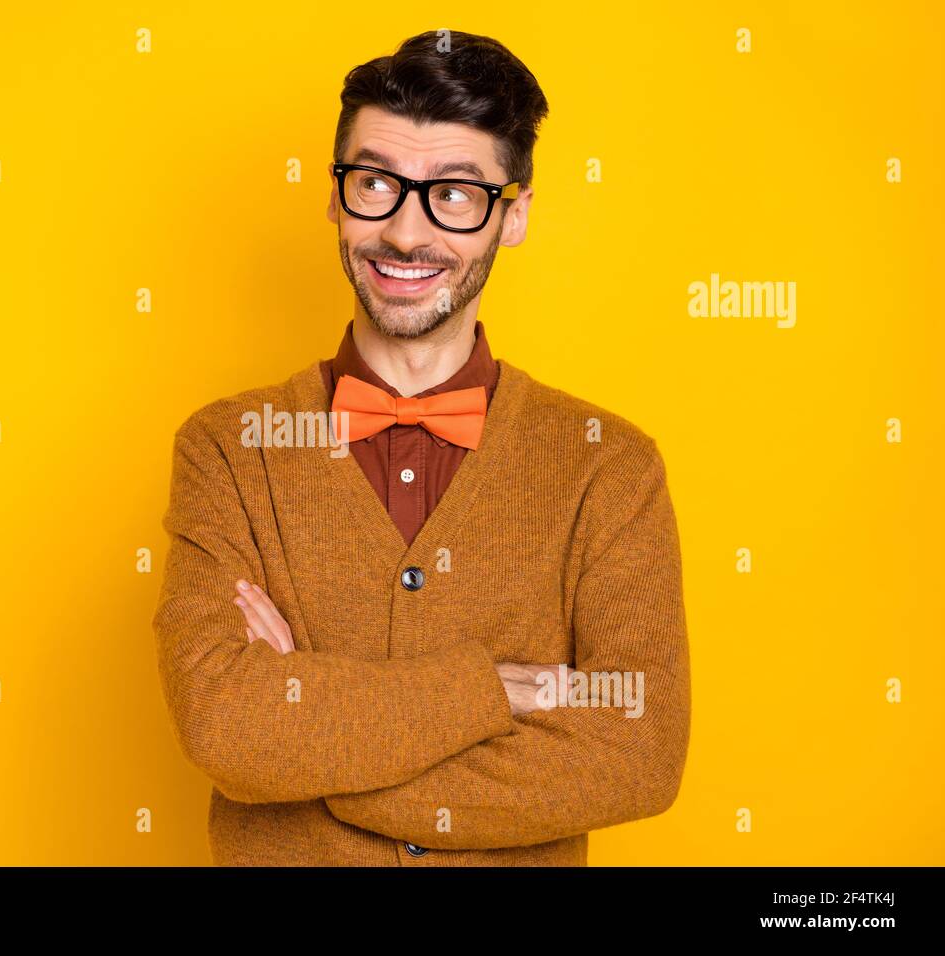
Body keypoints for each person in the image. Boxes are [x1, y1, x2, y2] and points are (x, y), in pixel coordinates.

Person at [152, 29, 691, 866]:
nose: (406, 234)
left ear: (513, 216)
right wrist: (491, 692)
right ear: (335, 198)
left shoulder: (608, 466)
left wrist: (308, 750)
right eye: (376, 184)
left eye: (455, 195)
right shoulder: (227, 449)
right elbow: (224, 727)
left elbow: (638, 755)